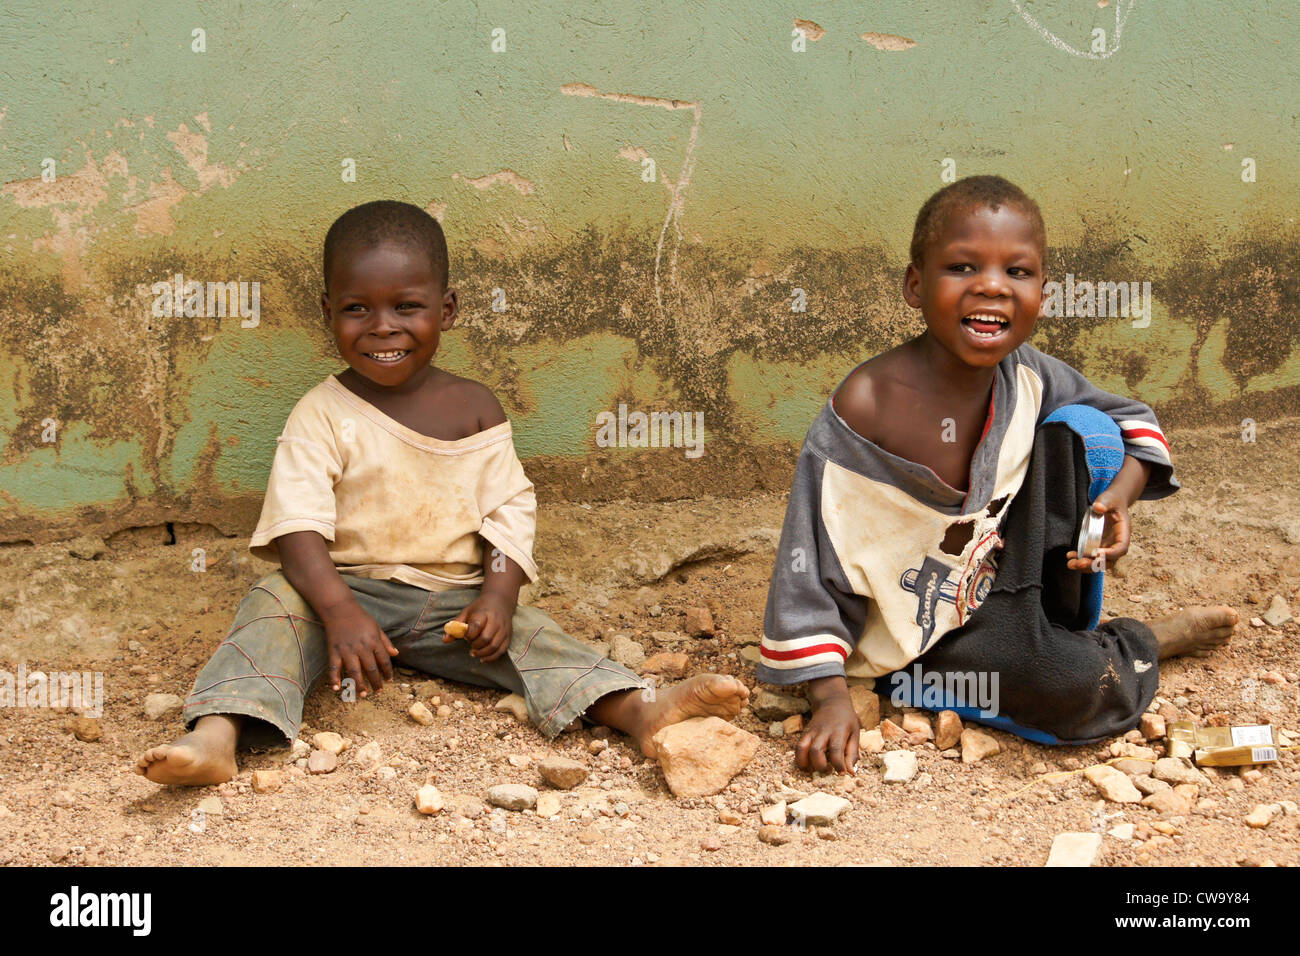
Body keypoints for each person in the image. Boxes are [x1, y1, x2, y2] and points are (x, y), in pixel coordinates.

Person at [137, 200, 748, 785]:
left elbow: (508, 512)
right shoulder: (321, 413)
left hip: (453, 605)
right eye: (356, 309)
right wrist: (341, 611)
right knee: (271, 606)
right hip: (341, 598)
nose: (382, 327)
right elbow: (296, 527)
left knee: (537, 639)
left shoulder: (475, 409)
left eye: (407, 306)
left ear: (447, 308)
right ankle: (216, 735)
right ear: (327, 312)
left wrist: (500, 597)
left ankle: (638, 708)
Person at [757, 176, 1236, 774]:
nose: (991, 285)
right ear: (915, 284)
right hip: (920, 636)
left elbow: (1134, 422)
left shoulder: (1027, 374)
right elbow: (810, 562)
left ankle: (1064, 629)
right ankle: (1141, 643)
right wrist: (828, 697)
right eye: (961, 266)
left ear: (1042, 292)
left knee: (1086, 431)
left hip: (1009, 582)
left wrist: (1120, 497)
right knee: (1070, 688)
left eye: (1018, 272)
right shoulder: (867, 405)